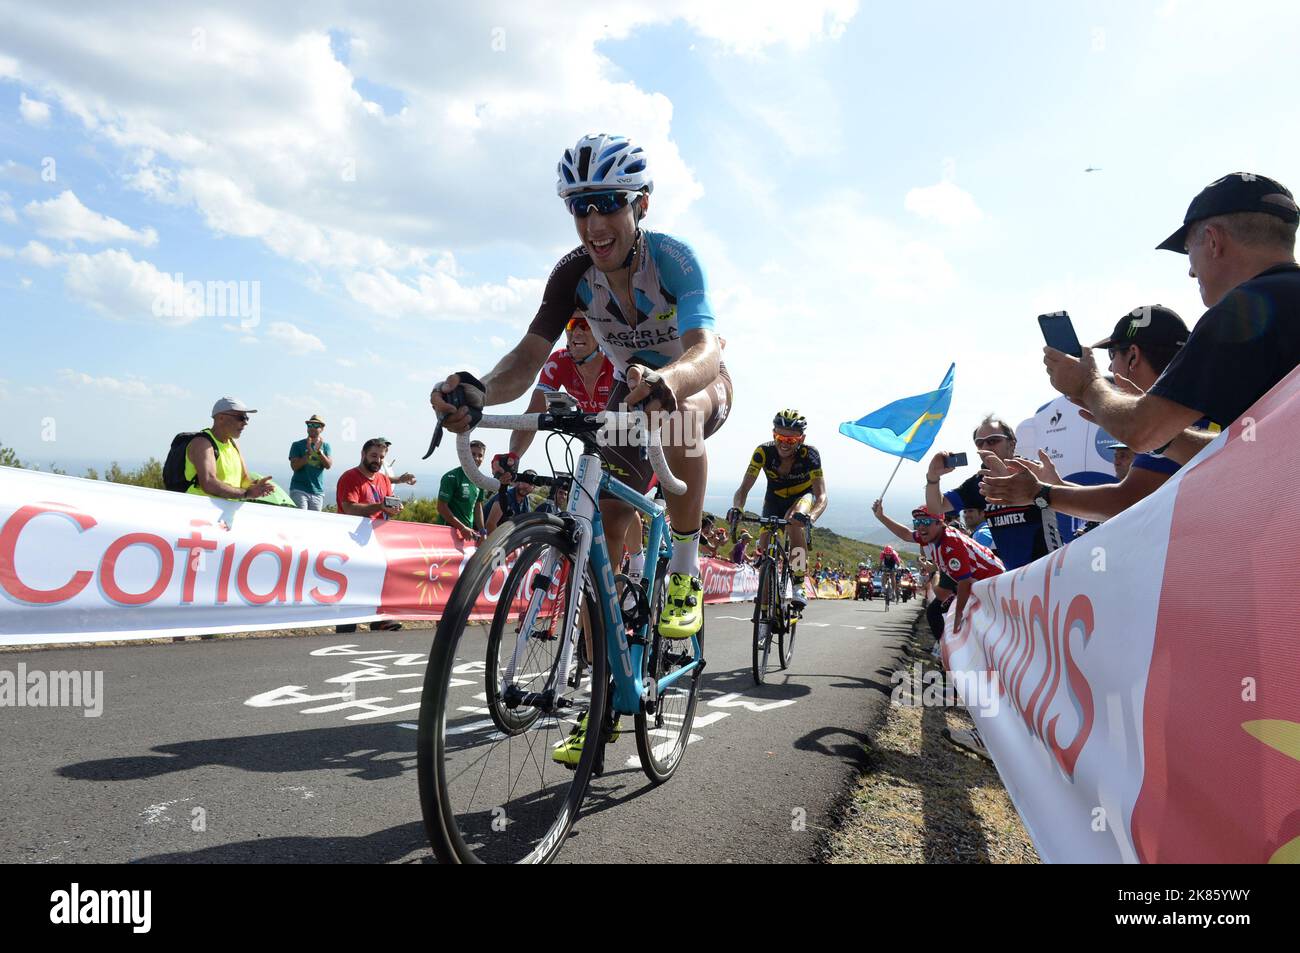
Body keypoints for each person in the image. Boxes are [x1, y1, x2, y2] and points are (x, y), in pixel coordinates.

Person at [431, 133, 731, 647]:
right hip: (630, 388)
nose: (593, 224)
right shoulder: (573, 273)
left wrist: (672, 380)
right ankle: (600, 696)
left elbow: (706, 349)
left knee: (677, 413)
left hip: (693, 382)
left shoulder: (674, 259)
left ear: (640, 204)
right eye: (579, 208)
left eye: (609, 204)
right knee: (603, 523)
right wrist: (479, 389)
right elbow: (527, 360)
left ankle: (684, 570)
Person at [1045, 173, 1300, 465]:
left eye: (1189, 251)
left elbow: (1140, 430)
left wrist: (1087, 384)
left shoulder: (1241, 312)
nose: (1191, 272)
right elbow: (1251, 448)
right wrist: (1167, 436)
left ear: (1213, 240)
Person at [985, 306, 1194, 522]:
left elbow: (1126, 502)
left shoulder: (1170, 418)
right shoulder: (1194, 405)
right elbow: (1132, 497)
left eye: (1112, 355)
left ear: (1133, 356)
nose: (1111, 368)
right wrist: (1057, 485)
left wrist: (1038, 493)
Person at [925, 415, 1061, 570]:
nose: (986, 447)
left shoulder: (1033, 471)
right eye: (980, 443)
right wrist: (933, 476)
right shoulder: (980, 481)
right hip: (1011, 575)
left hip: (1048, 567)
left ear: (1012, 443)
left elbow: (1065, 500)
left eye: (993, 440)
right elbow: (936, 507)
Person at [728, 409, 827, 609]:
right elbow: (743, 489)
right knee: (764, 550)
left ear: (802, 439)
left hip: (802, 498)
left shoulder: (811, 455)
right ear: (773, 433)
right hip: (774, 499)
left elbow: (822, 496)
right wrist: (737, 508)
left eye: (791, 440)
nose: (784, 443)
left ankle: (798, 584)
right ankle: (765, 612)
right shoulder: (763, 452)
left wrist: (811, 517)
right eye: (780, 437)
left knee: (793, 522)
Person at [873, 501, 1004, 636]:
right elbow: (906, 534)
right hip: (979, 584)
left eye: (927, 522)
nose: (921, 527)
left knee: (935, 613)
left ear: (940, 523)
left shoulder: (951, 544)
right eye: (917, 523)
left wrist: (958, 615)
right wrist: (881, 516)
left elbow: (964, 581)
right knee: (933, 612)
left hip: (995, 584)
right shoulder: (932, 536)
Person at [184, 397, 275, 501]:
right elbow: (209, 483)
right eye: (240, 417)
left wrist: (255, 486)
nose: (245, 423)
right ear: (221, 418)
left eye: (246, 418)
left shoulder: (233, 444)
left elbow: (244, 480)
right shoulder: (203, 443)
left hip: (223, 512)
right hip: (200, 510)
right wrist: (246, 494)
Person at [336, 438, 416, 522]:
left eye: (381, 457)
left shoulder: (384, 479)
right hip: (351, 531)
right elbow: (349, 509)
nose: (378, 460)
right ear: (363, 454)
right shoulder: (350, 477)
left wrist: (395, 508)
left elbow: (389, 512)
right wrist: (380, 506)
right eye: (374, 456)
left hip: (378, 532)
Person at [435, 439, 487, 541]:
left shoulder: (479, 480)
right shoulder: (451, 477)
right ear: (466, 455)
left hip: (467, 534)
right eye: (473, 454)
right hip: (447, 533)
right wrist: (461, 527)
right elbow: (441, 507)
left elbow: (478, 506)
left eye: (480, 455)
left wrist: (482, 531)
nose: (476, 458)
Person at [287, 414, 332, 510]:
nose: (312, 428)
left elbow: (328, 465)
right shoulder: (297, 445)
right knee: (300, 519)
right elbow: (294, 466)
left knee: (314, 522)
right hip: (299, 489)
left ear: (322, 429)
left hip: (317, 492)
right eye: (310, 425)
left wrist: (319, 452)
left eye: (316, 426)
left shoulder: (326, 446)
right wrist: (308, 453)